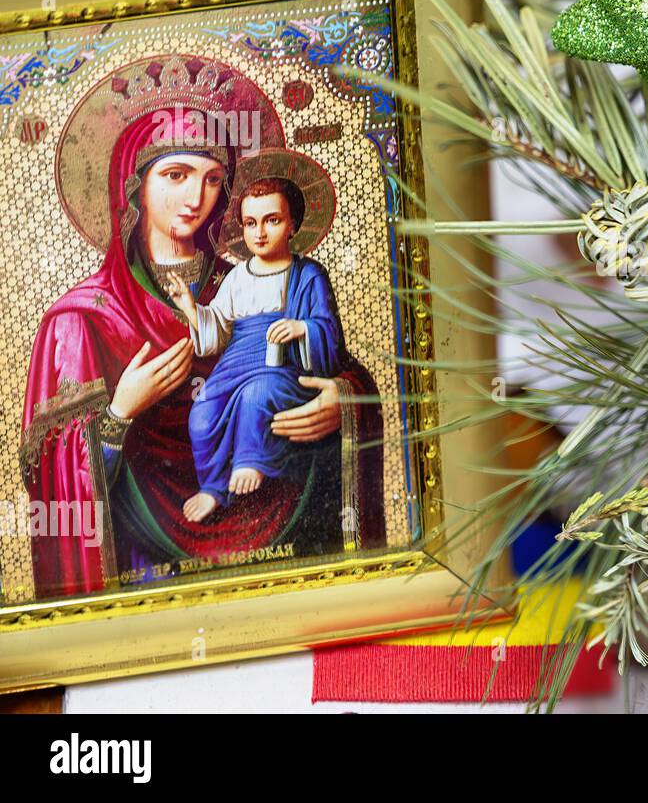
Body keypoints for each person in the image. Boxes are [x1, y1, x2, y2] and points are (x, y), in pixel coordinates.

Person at [21, 59, 384, 597]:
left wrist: (343, 406)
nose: (196, 198)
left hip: (282, 552)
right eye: (176, 175)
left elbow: (341, 372)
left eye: (213, 179)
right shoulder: (82, 318)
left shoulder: (250, 276)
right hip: (144, 565)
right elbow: (51, 476)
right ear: (134, 187)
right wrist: (120, 413)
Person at [166, 176, 346, 523]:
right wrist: (191, 309)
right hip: (236, 361)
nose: (259, 233)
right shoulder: (237, 277)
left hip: (280, 363)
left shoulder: (308, 275)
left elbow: (327, 331)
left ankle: (251, 461)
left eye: (272, 221)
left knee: (258, 395)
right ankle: (213, 487)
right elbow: (217, 325)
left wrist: (301, 328)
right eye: (250, 223)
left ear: (292, 225)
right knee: (201, 414)